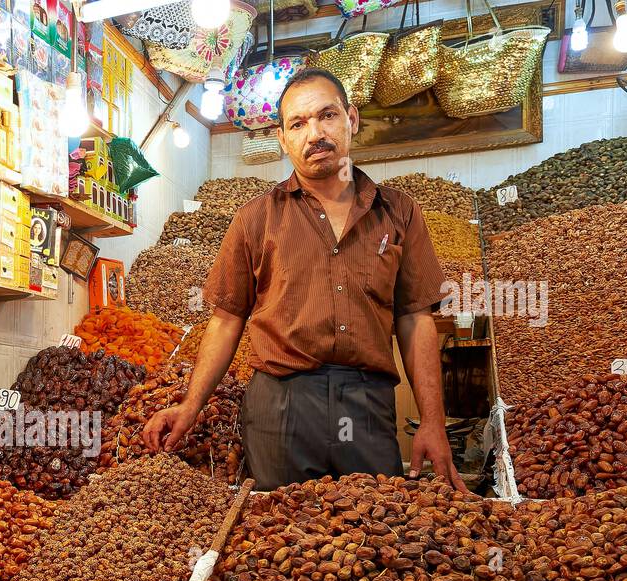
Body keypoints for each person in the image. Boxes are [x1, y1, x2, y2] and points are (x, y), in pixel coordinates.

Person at [143, 67, 465, 492]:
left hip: (366, 406)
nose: (314, 133)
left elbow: (415, 319)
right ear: (282, 138)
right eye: (297, 123)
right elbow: (225, 321)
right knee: (278, 540)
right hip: (281, 405)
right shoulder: (256, 219)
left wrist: (433, 421)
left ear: (351, 119)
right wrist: (190, 404)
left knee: (373, 534)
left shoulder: (400, 213)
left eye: (326, 115)